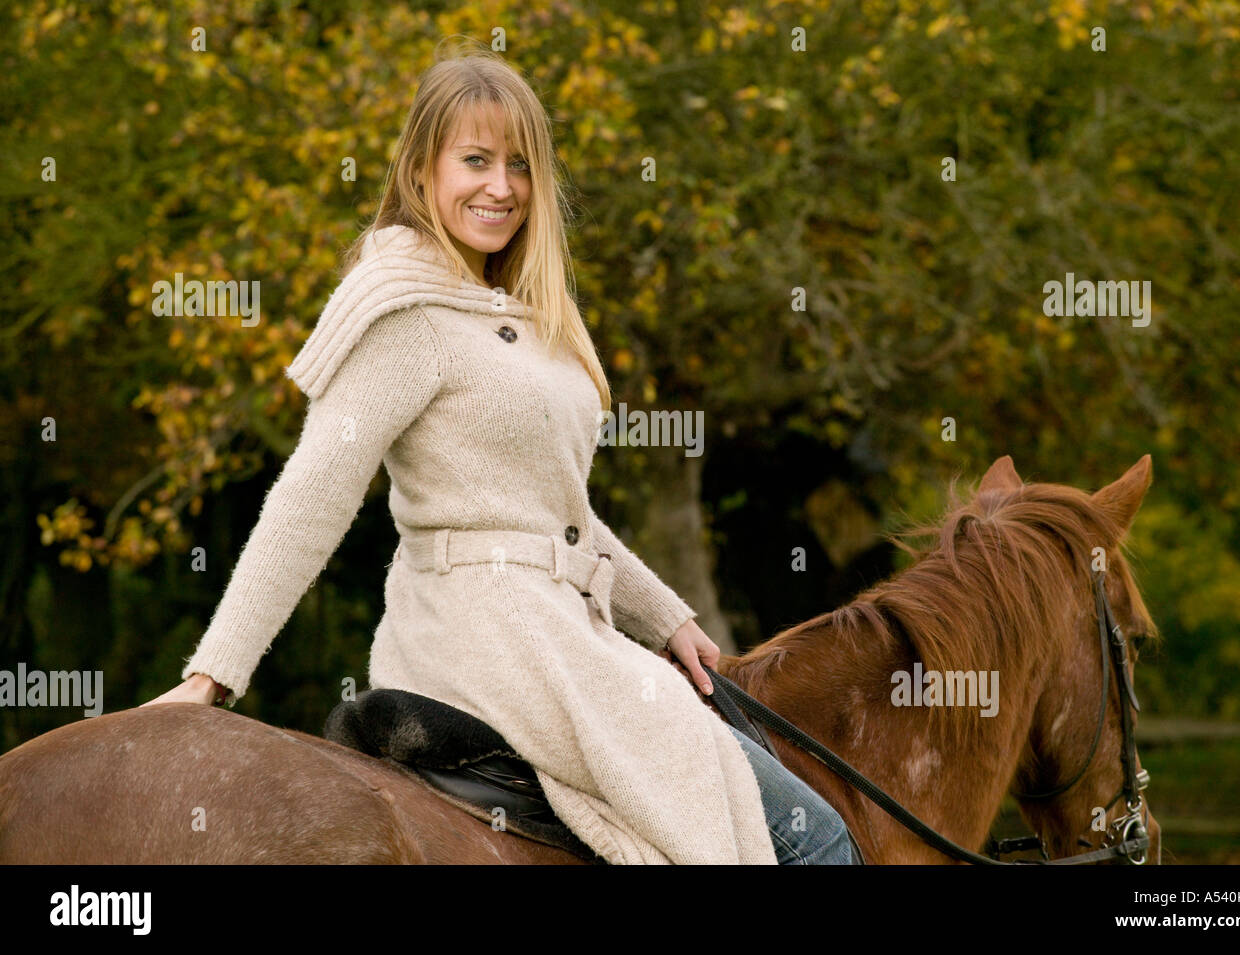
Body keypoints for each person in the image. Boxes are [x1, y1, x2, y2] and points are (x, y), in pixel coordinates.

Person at [145, 42, 856, 865]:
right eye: (475, 160)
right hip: (482, 636)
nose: (501, 187)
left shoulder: (526, 310)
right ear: (422, 170)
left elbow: (559, 513)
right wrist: (213, 676)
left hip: (562, 630)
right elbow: (312, 493)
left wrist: (666, 617)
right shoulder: (403, 311)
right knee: (819, 841)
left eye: (520, 165)